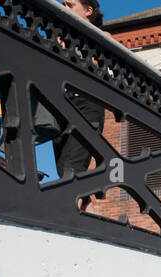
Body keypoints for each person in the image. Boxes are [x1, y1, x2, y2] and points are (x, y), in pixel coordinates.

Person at [56, 0, 106, 189]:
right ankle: (85, 211)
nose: (64, 8)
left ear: (88, 10)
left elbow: (102, 69)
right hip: (60, 105)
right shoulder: (58, 37)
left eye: (69, 4)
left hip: (87, 104)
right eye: (62, 4)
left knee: (74, 170)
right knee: (63, 174)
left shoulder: (102, 37)